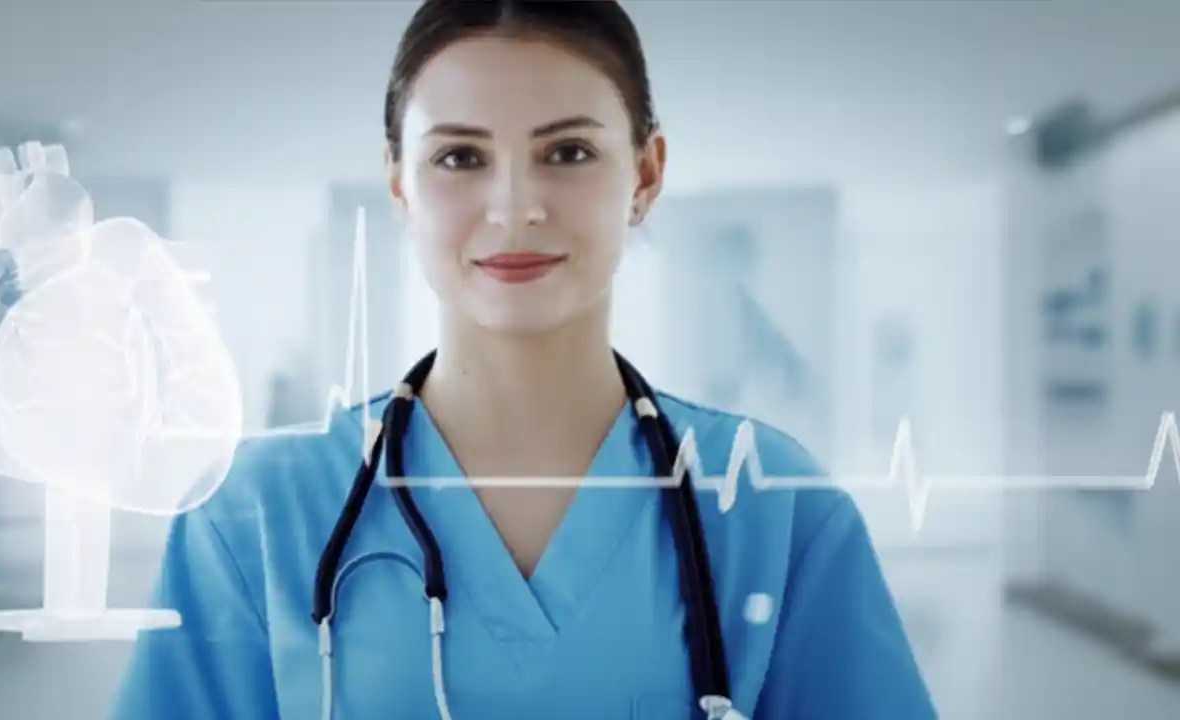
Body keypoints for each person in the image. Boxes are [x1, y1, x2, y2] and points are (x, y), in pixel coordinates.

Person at [109, 1, 936, 718]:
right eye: (459, 157)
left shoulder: (772, 504)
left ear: (646, 175)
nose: (515, 208)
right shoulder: (251, 515)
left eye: (568, 152)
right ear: (398, 182)